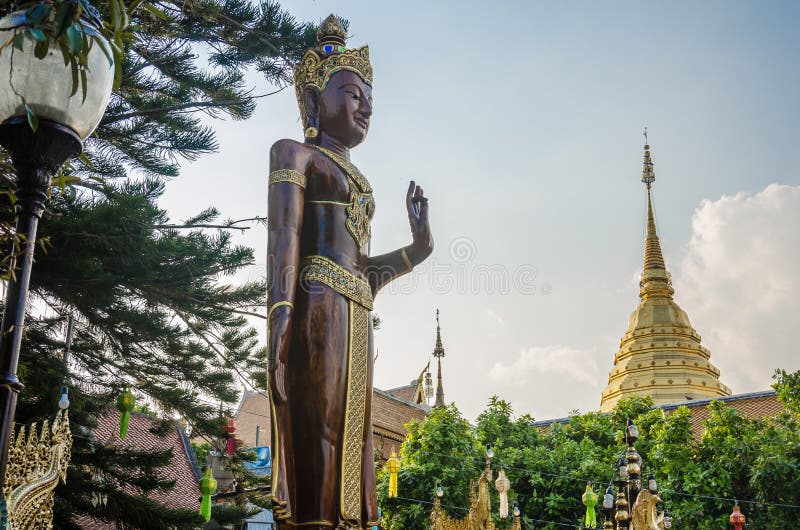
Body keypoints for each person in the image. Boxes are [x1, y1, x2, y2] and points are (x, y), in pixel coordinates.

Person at [266, 15, 434, 530]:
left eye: (369, 100)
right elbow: (284, 239)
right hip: (316, 305)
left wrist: (417, 249)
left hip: (357, 311)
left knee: (355, 436)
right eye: (353, 94)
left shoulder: (361, 181)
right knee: (319, 425)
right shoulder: (296, 155)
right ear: (314, 101)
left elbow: (366, 272)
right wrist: (279, 318)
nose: (365, 107)